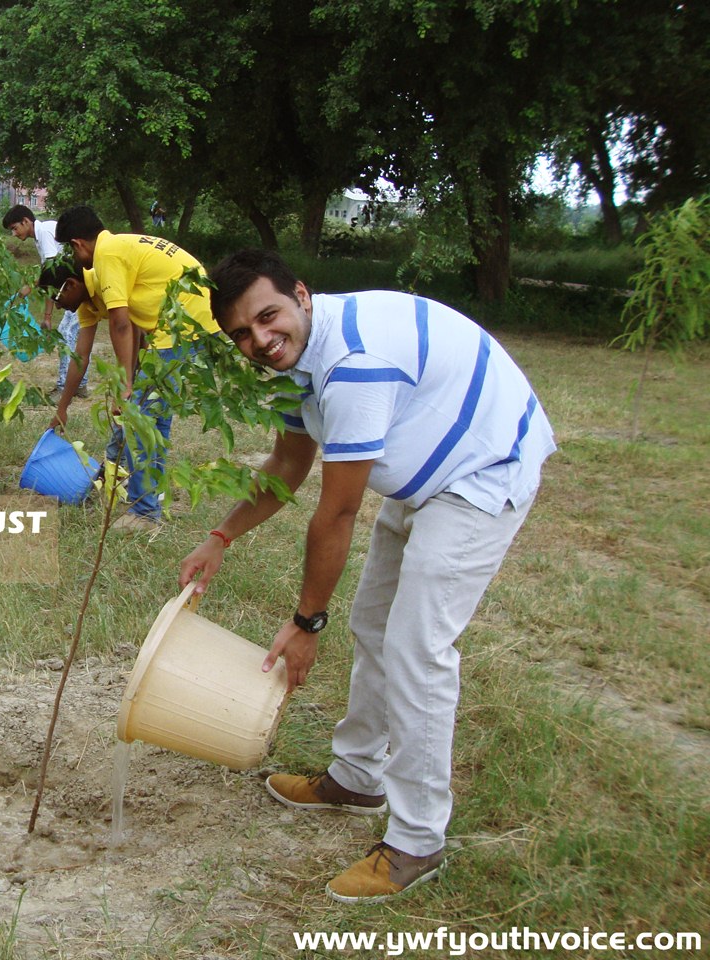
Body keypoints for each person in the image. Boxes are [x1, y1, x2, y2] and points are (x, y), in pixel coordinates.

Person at [178, 249, 556, 904]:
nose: (260, 340)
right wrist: (221, 536)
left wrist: (306, 623)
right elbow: (287, 465)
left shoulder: (353, 364)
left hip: (483, 467)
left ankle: (418, 840)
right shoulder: (294, 362)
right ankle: (355, 780)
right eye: (242, 333)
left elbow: (338, 511)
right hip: (426, 469)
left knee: (416, 647)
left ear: (301, 294)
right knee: (374, 624)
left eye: (268, 317)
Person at [50, 205, 220, 528]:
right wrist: (63, 408)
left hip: (185, 321)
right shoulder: (100, 275)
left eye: (57, 300)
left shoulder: (107, 256)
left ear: (77, 244)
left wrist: (126, 386)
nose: (59, 308)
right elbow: (82, 355)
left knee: (138, 418)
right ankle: (148, 494)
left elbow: (121, 324)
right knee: (152, 417)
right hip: (189, 320)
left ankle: (145, 513)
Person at [2, 203, 88, 397]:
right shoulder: (40, 238)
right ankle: (80, 385)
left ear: (26, 221)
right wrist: (47, 317)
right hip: (75, 288)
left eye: (15, 228)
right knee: (73, 335)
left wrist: (29, 287)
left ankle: (65, 388)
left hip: (81, 287)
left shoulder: (46, 232)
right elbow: (52, 280)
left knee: (65, 334)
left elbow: (52, 271)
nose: (14, 234)